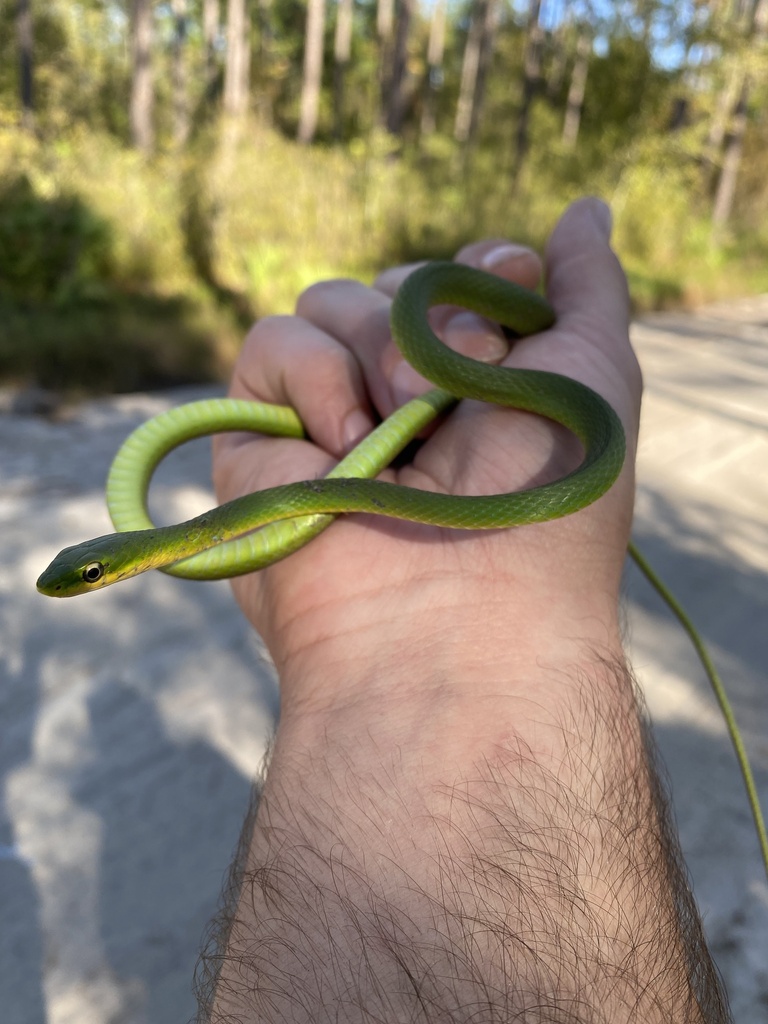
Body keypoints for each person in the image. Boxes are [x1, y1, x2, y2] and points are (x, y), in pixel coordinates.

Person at [196, 198, 730, 1022]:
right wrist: (390, 642)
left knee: (437, 310)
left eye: (87, 577)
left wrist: (472, 624)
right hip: (357, 532)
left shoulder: (565, 423)